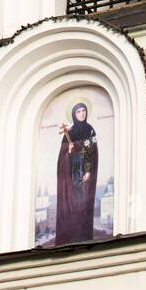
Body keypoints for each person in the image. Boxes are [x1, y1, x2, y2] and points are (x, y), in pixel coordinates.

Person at [54, 103, 98, 245]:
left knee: (83, 203)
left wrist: (89, 170)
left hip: (84, 170)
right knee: (72, 203)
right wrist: (69, 150)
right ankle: (70, 235)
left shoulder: (90, 130)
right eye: (78, 111)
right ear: (74, 114)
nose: (82, 114)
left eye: (84, 110)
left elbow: (93, 152)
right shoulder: (69, 132)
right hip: (71, 173)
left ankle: (82, 235)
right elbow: (61, 160)